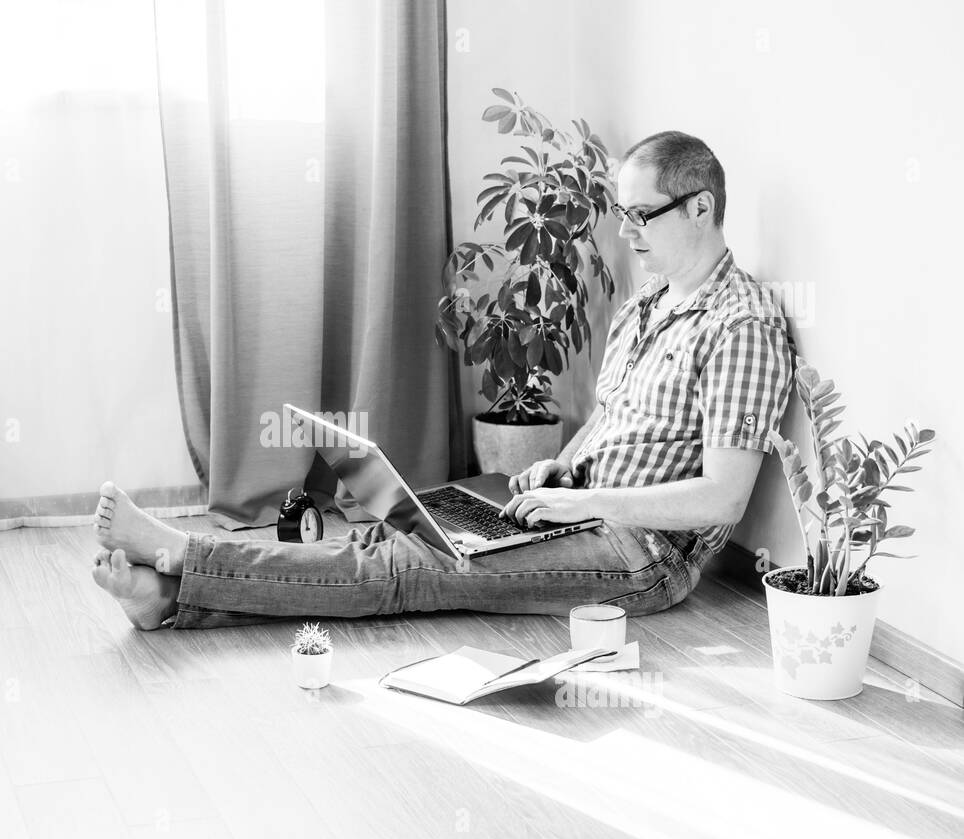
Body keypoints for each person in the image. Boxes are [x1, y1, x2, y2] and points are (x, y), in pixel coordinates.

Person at [91, 130, 795, 630]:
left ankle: (185, 559)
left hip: (641, 554)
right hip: (585, 508)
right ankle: (173, 599)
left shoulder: (743, 324)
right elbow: (612, 425)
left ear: (701, 207)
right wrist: (561, 471)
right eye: (622, 214)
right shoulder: (647, 304)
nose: (628, 231)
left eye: (642, 215)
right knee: (394, 535)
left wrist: (591, 502)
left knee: (408, 570)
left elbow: (722, 497)